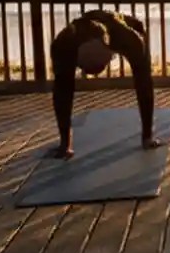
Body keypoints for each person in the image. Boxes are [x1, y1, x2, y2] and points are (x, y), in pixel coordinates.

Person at [51, 9, 161, 159]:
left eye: (100, 64)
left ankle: (147, 134)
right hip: (83, 33)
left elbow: (145, 85)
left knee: (143, 72)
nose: (95, 72)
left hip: (118, 23)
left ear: (110, 53)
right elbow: (62, 95)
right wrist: (65, 144)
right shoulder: (63, 44)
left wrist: (148, 137)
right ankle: (65, 143)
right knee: (63, 85)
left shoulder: (129, 38)